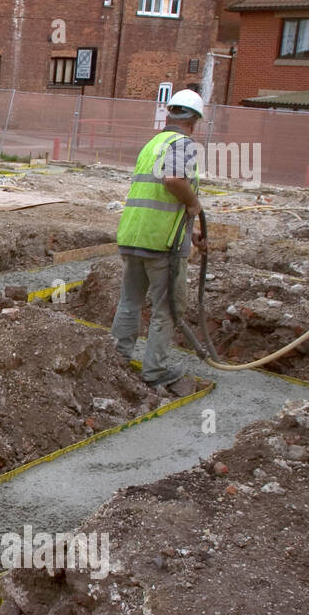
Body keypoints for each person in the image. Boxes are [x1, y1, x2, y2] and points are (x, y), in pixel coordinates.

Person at [110, 88, 206, 392]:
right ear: (196, 120)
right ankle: (155, 370)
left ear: (170, 114)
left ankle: (117, 359)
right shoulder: (184, 144)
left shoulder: (154, 144)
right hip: (162, 245)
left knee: (130, 301)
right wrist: (193, 204)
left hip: (135, 235)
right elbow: (173, 181)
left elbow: (156, 196)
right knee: (167, 308)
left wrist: (190, 230)